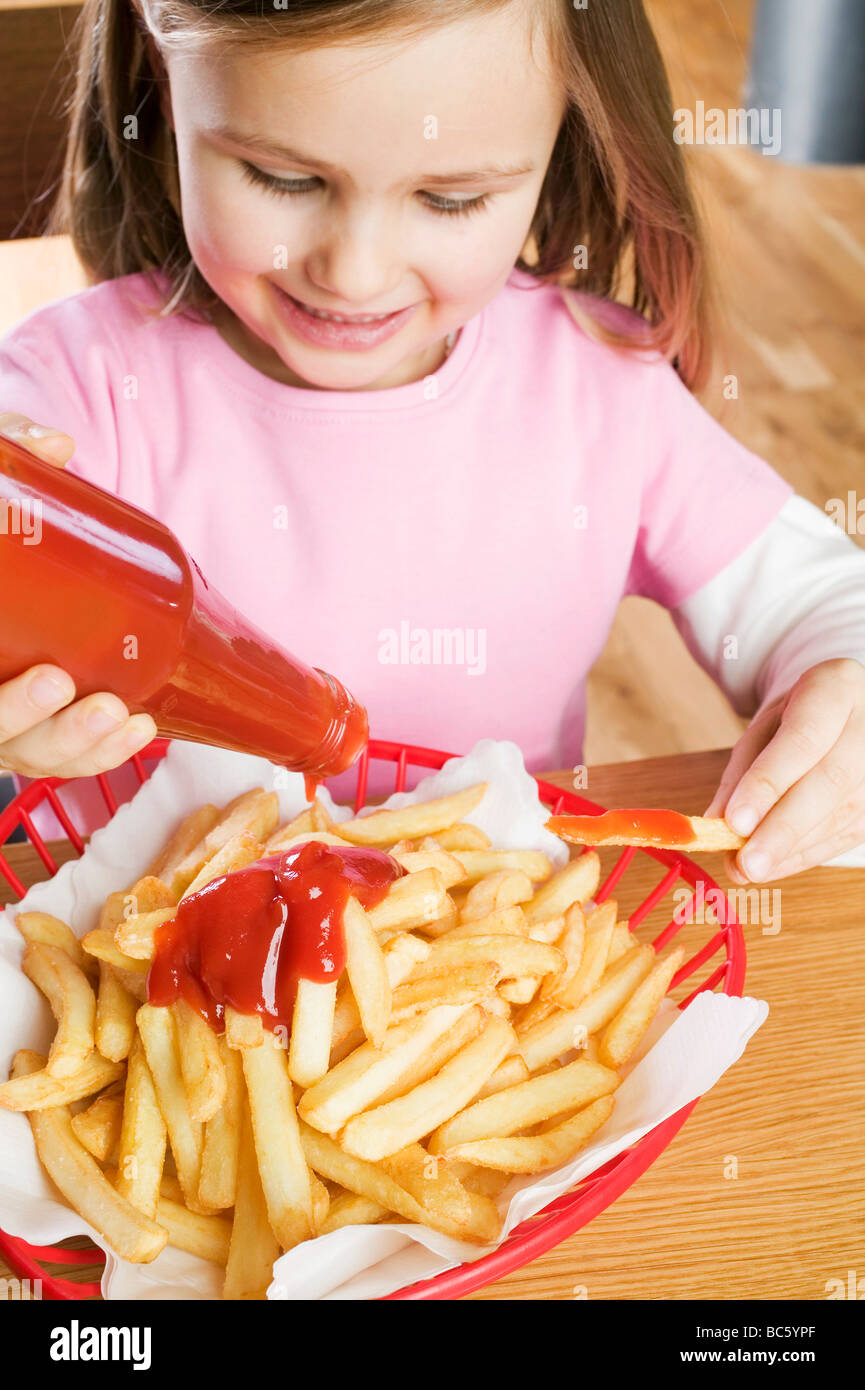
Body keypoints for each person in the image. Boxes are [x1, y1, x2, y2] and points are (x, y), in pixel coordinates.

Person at [0, 0, 863, 884]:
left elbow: (818, 603)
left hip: (491, 979)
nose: (353, 271)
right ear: (162, 75)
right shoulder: (72, 394)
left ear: (563, 133)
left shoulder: (602, 392)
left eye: (449, 198)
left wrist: (843, 699)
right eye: (280, 179)